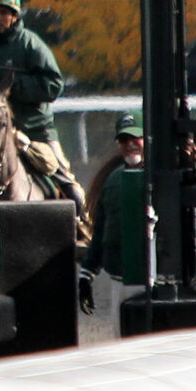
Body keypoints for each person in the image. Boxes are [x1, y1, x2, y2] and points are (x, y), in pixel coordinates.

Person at [0, 0, 83, 214]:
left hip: (33, 131)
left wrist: (11, 88)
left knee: (71, 189)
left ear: (15, 16)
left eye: (4, 13)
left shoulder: (30, 43)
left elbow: (54, 84)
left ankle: (82, 223)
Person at [81, 114, 148, 336]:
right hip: (119, 281)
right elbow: (101, 232)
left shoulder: (162, 176)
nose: (130, 144)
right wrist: (86, 275)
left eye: (135, 138)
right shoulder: (111, 180)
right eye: (124, 140)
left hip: (156, 283)